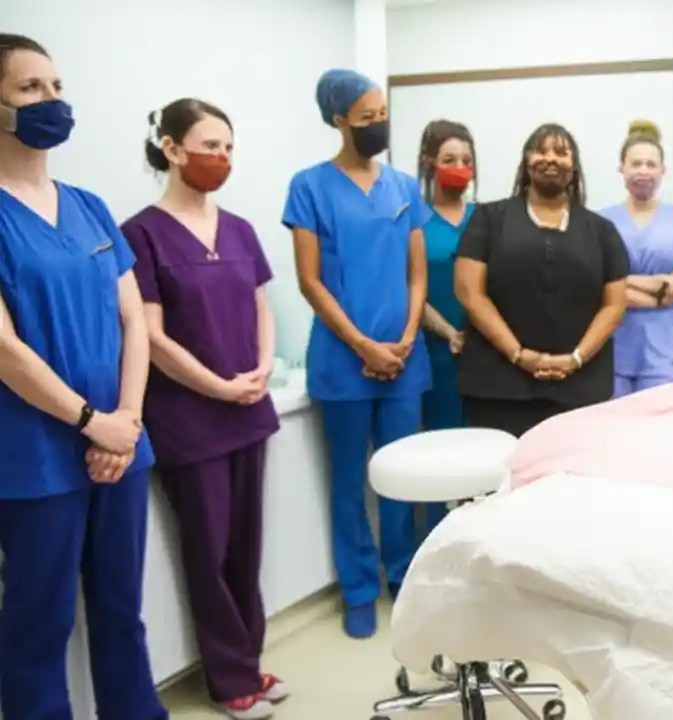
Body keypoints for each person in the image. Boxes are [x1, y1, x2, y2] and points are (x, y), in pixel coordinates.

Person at [0, 34, 167, 719]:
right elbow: (4, 348)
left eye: (57, 86)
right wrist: (92, 423)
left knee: (121, 610)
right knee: (38, 625)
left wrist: (125, 421)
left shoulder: (90, 205)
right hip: (36, 457)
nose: (51, 100)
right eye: (29, 88)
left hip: (121, 443)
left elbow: (134, 320)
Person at [121, 98, 287, 720]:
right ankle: (229, 679)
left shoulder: (238, 229)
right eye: (209, 145)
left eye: (228, 147)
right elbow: (151, 336)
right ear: (171, 149)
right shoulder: (141, 233)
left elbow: (262, 308)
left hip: (248, 408)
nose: (222, 157)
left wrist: (261, 368)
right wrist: (218, 387)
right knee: (210, 553)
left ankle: (249, 660)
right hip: (190, 421)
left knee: (246, 549)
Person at [284, 68, 430, 639]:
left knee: (400, 477)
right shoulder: (309, 187)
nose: (379, 124)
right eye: (367, 117)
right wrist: (364, 345)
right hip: (342, 361)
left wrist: (408, 335)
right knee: (348, 483)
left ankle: (403, 575)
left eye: (383, 114)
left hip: (404, 358)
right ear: (339, 119)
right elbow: (309, 281)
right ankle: (359, 590)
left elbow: (416, 274)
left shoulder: (403, 188)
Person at [455, 123, 629, 437]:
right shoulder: (489, 220)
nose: (550, 158)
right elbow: (470, 294)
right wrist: (518, 354)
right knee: (502, 467)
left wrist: (576, 359)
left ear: (574, 166)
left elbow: (614, 305)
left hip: (580, 390)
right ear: (526, 161)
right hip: (499, 389)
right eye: (541, 151)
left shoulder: (602, 231)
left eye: (561, 152)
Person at [598, 120, 673, 396]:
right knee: (612, 420)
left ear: (662, 171)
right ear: (622, 169)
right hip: (613, 348)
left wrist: (623, 283)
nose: (643, 171)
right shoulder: (601, 222)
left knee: (664, 419)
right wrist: (662, 291)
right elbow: (593, 285)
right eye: (636, 164)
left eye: (651, 164)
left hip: (668, 353)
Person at [416, 118, 475, 537]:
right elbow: (411, 291)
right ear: (429, 162)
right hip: (436, 353)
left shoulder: (485, 218)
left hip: (484, 354)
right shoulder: (415, 221)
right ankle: (437, 547)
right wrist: (450, 333)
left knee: (483, 458)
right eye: (449, 159)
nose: (459, 168)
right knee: (440, 458)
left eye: (466, 160)